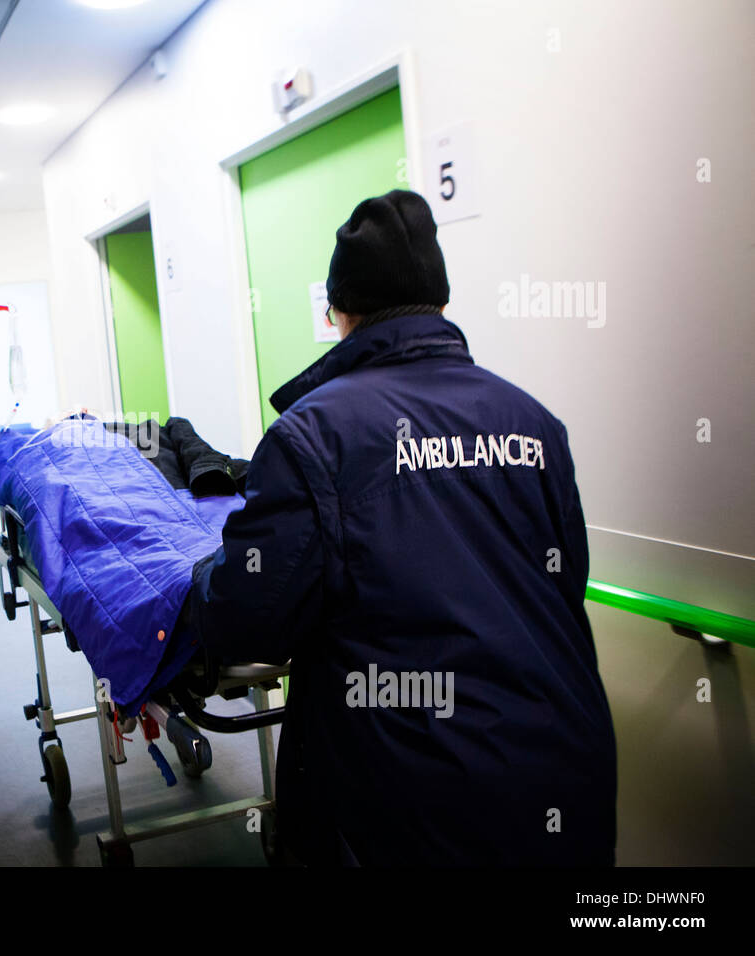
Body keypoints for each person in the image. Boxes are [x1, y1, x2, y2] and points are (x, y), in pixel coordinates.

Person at [184, 190, 616, 865]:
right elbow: (567, 584)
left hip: (408, 799)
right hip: (563, 771)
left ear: (339, 314)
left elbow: (246, 621)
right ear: (441, 303)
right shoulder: (534, 422)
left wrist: (206, 573)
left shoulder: (314, 437)